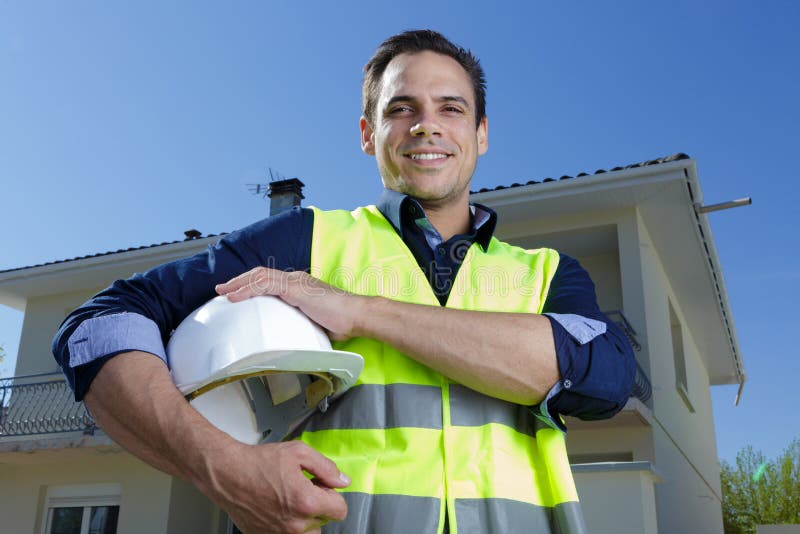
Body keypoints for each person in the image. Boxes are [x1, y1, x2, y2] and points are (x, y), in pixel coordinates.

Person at [53, 30, 635, 533]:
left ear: (481, 133)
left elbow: (603, 380)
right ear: (367, 132)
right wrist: (223, 467)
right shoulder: (302, 243)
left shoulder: (548, 273)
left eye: (451, 108)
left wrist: (362, 312)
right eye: (401, 108)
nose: (426, 126)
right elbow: (97, 327)